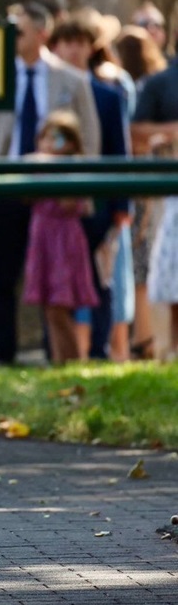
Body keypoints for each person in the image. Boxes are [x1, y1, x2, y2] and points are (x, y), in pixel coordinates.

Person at [0, 1, 99, 364]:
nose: (12, 39)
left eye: (19, 31)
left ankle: (56, 355)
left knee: (55, 281)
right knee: (0, 276)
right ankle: (2, 355)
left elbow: (89, 137)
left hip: (55, 196)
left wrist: (78, 190)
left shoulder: (70, 79)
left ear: (41, 34)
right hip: (5, 189)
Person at [49, 12, 130, 361]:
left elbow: (118, 152)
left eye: (80, 43)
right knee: (53, 276)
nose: (73, 50)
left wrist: (121, 206)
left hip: (95, 201)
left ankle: (98, 348)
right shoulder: (49, 91)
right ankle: (58, 349)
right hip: (54, 203)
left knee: (99, 277)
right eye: (67, 43)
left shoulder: (108, 96)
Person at [21, 111, 98, 363]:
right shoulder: (34, 166)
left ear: (72, 143)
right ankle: (60, 360)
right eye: (46, 137)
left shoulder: (74, 169)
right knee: (49, 307)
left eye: (58, 138)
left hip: (64, 240)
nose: (50, 143)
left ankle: (72, 359)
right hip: (41, 237)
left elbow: (72, 205)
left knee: (59, 304)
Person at [115, 26, 168, 359]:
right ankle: (143, 339)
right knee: (140, 264)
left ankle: (145, 340)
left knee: (143, 264)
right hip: (145, 184)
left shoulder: (144, 88)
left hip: (145, 185)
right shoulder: (151, 86)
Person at [130, 44, 178, 362]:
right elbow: (136, 129)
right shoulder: (161, 82)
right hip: (169, 194)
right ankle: (169, 348)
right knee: (171, 274)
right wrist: (170, 131)